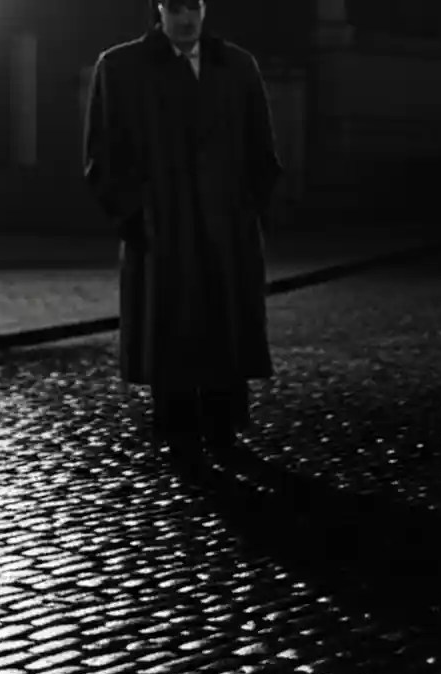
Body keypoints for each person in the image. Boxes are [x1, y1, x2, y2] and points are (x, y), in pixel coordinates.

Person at [84, 0, 282, 471]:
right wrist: (137, 216)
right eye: (175, 7)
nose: (185, 18)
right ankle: (177, 430)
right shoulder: (120, 67)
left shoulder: (236, 66)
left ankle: (223, 422)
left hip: (225, 224)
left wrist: (246, 208)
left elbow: (261, 147)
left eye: (192, 6)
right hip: (164, 226)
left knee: (223, 321)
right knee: (169, 326)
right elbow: (102, 154)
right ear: (158, 10)